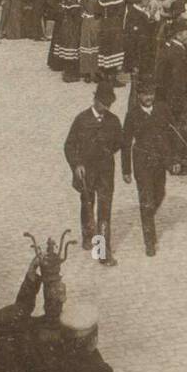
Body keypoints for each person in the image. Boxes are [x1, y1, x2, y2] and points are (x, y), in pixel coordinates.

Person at [63, 82, 124, 265]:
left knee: (104, 210)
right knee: (87, 205)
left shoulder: (113, 120)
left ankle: (102, 252)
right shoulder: (81, 119)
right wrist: (77, 164)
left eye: (109, 104)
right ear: (95, 100)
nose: (106, 108)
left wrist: (106, 150)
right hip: (87, 173)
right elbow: (69, 145)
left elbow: (119, 142)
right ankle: (88, 235)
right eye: (103, 103)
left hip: (105, 172)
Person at [121, 84, 181, 256]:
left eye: (151, 94)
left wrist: (175, 159)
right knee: (146, 199)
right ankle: (149, 240)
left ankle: (147, 217)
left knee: (159, 194)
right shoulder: (132, 115)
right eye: (145, 94)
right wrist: (126, 170)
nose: (149, 97)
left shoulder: (162, 109)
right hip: (142, 164)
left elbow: (174, 134)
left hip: (160, 162)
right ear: (138, 95)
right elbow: (126, 143)